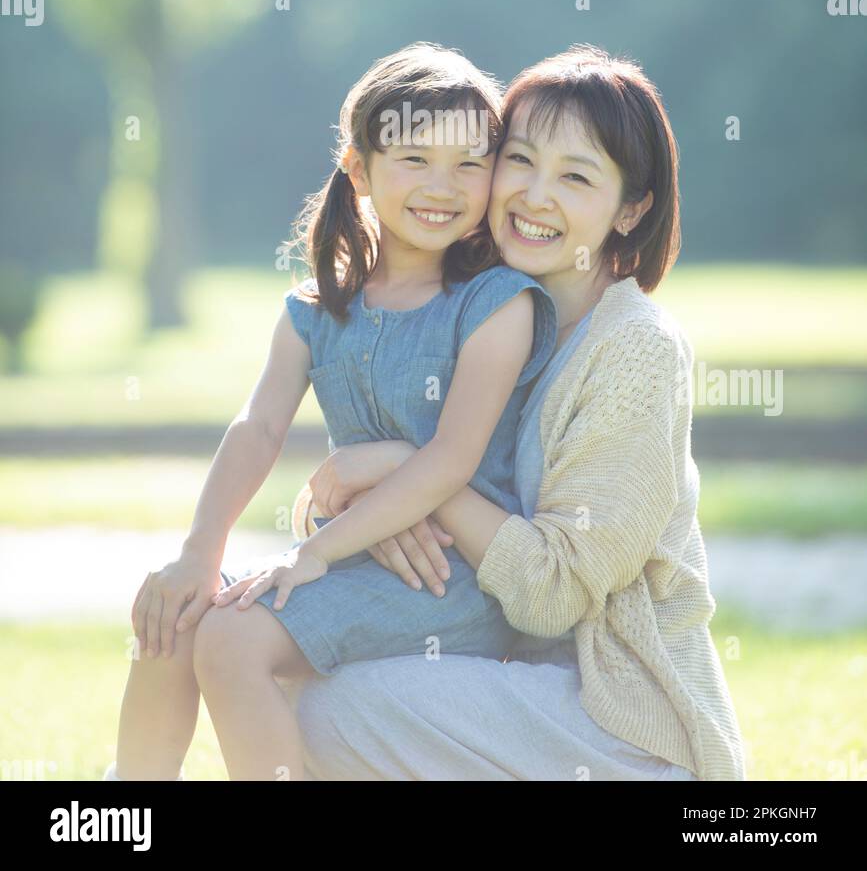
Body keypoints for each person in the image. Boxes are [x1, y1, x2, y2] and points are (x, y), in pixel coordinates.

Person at [289, 44, 747, 781]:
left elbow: (551, 592)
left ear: (631, 208)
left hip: (623, 731)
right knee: (282, 656)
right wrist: (359, 515)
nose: (534, 196)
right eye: (519, 160)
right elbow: (355, 491)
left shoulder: (633, 352)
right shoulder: (480, 315)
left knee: (328, 709)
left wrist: (416, 473)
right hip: (500, 686)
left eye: (574, 177)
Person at [103, 42, 557, 782]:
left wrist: (314, 551)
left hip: (456, 582)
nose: (443, 186)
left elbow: (451, 460)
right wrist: (199, 553)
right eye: (414, 159)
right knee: (172, 611)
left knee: (232, 641)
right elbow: (257, 428)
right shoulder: (318, 309)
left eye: (470, 163)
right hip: (356, 558)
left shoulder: (493, 305)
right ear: (357, 167)